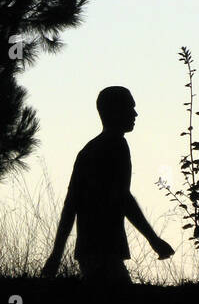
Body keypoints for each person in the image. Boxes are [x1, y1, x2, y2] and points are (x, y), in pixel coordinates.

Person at [41, 87, 174, 283]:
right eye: (130, 107)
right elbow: (123, 198)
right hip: (106, 250)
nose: (135, 114)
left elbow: (70, 206)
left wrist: (56, 256)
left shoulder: (87, 150)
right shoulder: (117, 145)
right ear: (115, 111)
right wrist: (153, 240)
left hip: (88, 251)